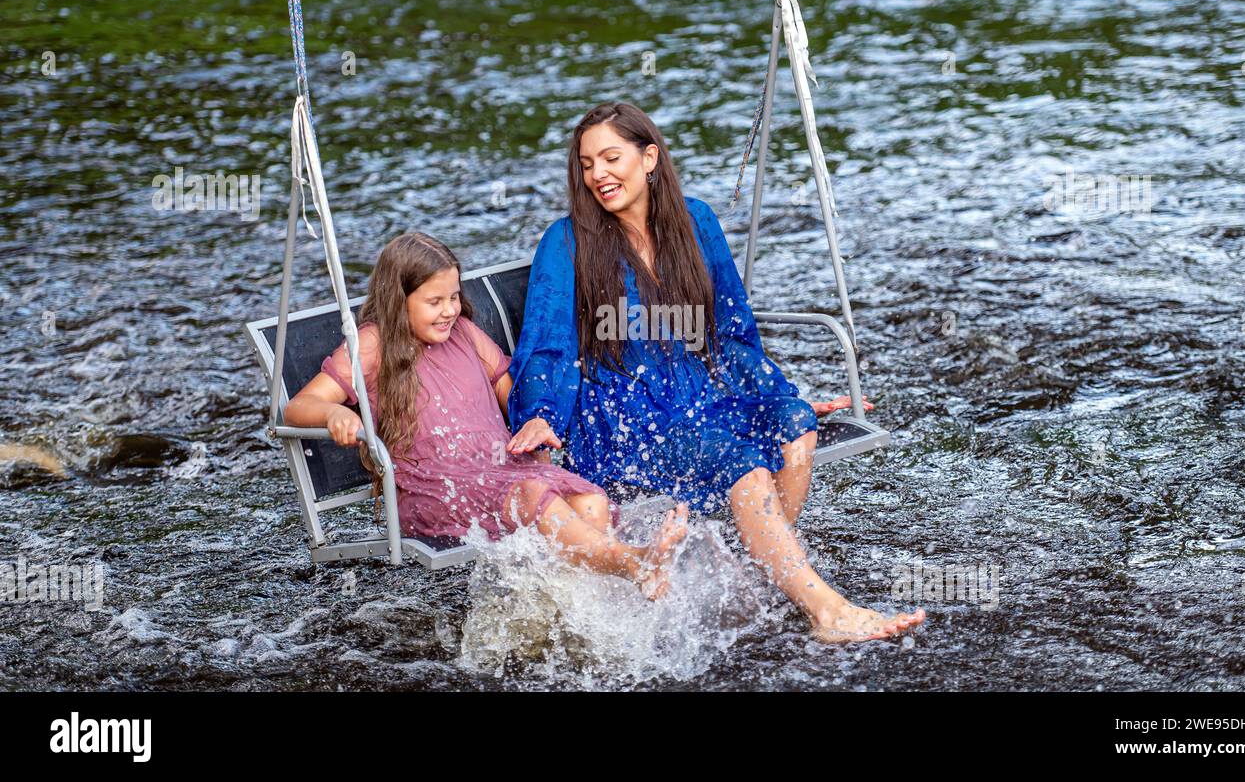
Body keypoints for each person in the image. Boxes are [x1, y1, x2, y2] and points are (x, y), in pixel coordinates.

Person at [505, 102, 925, 642]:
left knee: (794, 423)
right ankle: (827, 611)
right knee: (739, 461)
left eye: (611, 158)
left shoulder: (696, 222)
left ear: (649, 157)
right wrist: (541, 415)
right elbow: (548, 343)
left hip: (697, 394)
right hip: (623, 416)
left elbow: (732, 333)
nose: (598, 175)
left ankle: (759, 579)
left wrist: (772, 393)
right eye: (587, 164)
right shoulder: (568, 242)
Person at [283, 231, 688, 600]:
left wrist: (534, 419)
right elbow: (299, 406)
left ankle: (587, 614)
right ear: (397, 300)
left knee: (589, 500)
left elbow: (511, 393)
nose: (448, 311)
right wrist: (337, 413)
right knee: (534, 497)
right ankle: (633, 563)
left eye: (454, 297)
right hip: (435, 487)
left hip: (495, 470)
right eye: (434, 301)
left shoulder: (463, 332)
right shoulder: (372, 344)